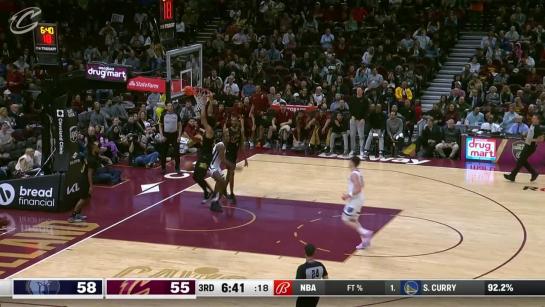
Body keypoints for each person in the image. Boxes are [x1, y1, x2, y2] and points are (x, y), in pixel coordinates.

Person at [341, 156, 373, 250]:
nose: (348, 163)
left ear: (352, 162)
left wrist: (348, 195)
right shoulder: (359, 172)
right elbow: (362, 185)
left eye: (349, 161)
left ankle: (365, 232)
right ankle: (365, 242)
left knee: (345, 218)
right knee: (354, 220)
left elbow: (358, 188)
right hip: (358, 199)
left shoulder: (354, 174)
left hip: (355, 200)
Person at [504, 115, 543, 182]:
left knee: (520, 161)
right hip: (527, 145)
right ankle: (534, 173)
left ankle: (512, 176)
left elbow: (541, 139)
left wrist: (531, 140)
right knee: (522, 160)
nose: (532, 119)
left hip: (531, 146)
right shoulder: (532, 125)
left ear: (538, 120)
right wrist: (525, 134)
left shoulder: (538, 128)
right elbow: (530, 131)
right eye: (532, 118)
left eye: (534, 118)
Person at [193, 97, 216, 206]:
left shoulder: (210, 130)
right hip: (203, 155)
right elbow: (209, 114)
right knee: (195, 177)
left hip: (206, 157)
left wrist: (202, 105)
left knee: (199, 177)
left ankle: (212, 193)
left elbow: (203, 118)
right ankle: (207, 192)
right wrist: (210, 100)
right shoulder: (208, 130)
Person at [69, 141, 98, 223]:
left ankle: (78, 214)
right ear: (93, 148)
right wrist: (91, 186)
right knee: (83, 198)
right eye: (97, 146)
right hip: (85, 180)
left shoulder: (89, 155)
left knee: (85, 197)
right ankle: (73, 216)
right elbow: (89, 173)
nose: (99, 147)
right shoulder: (91, 159)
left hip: (82, 178)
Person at [224, 113, 248, 203]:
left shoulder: (240, 131)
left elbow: (242, 145)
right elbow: (224, 144)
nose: (233, 121)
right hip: (228, 154)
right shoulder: (227, 130)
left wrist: (245, 159)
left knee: (228, 175)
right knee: (231, 174)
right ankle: (232, 194)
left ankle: (222, 191)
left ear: (237, 121)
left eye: (234, 120)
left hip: (234, 155)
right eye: (232, 120)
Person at [158, 102, 181, 174]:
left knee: (177, 151)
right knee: (163, 152)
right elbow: (160, 125)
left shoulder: (176, 114)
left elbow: (180, 125)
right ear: (166, 107)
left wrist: (179, 136)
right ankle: (163, 168)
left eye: (171, 106)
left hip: (174, 135)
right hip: (166, 135)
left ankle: (177, 167)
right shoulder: (163, 115)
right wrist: (161, 135)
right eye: (169, 106)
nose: (170, 107)